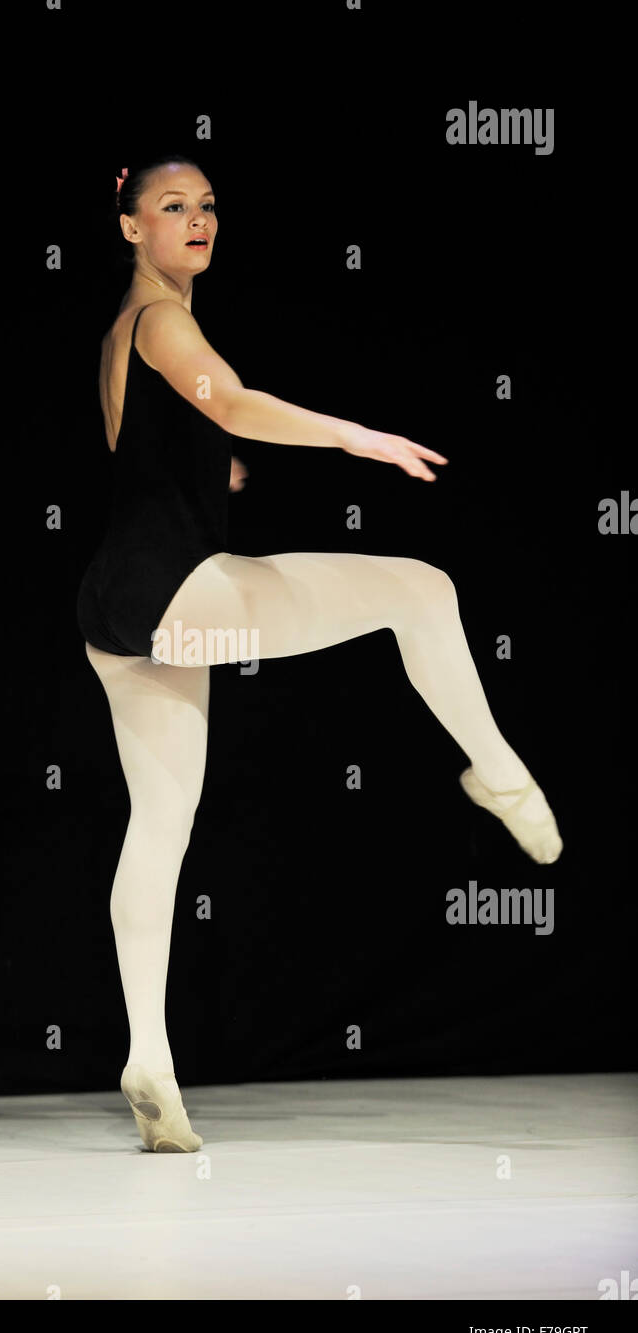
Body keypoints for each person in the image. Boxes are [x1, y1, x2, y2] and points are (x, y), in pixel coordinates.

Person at [76, 155, 563, 1153]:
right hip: (172, 593)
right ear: (129, 227)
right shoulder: (162, 320)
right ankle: (498, 775)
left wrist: (223, 467)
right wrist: (351, 436)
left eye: (207, 205)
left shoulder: (122, 335)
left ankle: (147, 1057)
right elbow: (228, 400)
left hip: (113, 607)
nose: (196, 220)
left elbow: (160, 449)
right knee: (419, 590)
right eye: (171, 207)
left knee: (161, 824)